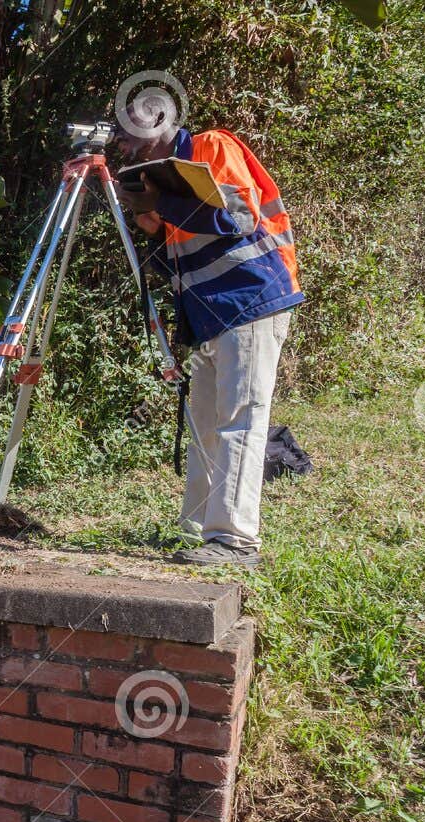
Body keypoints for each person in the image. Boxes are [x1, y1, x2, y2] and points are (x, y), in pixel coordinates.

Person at [116, 104, 303, 568]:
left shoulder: (209, 147)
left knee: (240, 419)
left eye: (124, 134)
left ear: (154, 124)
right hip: (211, 317)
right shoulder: (172, 185)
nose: (120, 145)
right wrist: (152, 231)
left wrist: (160, 203)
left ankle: (235, 541)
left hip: (252, 301)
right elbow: (180, 262)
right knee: (205, 427)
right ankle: (198, 530)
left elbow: (238, 219)